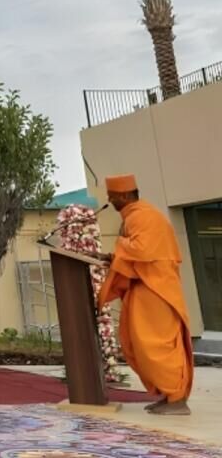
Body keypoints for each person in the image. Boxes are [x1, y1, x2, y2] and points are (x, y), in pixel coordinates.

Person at [98, 174, 193, 416]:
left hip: (157, 289)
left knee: (156, 345)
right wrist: (114, 258)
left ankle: (177, 399)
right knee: (140, 344)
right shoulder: (135, 216)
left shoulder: (143, 216)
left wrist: (119, 247)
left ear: (127, 195)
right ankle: (168, 395)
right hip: (146, 287)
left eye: (113, 196)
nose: (110, 200)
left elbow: (143, 250)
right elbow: (139, 253)